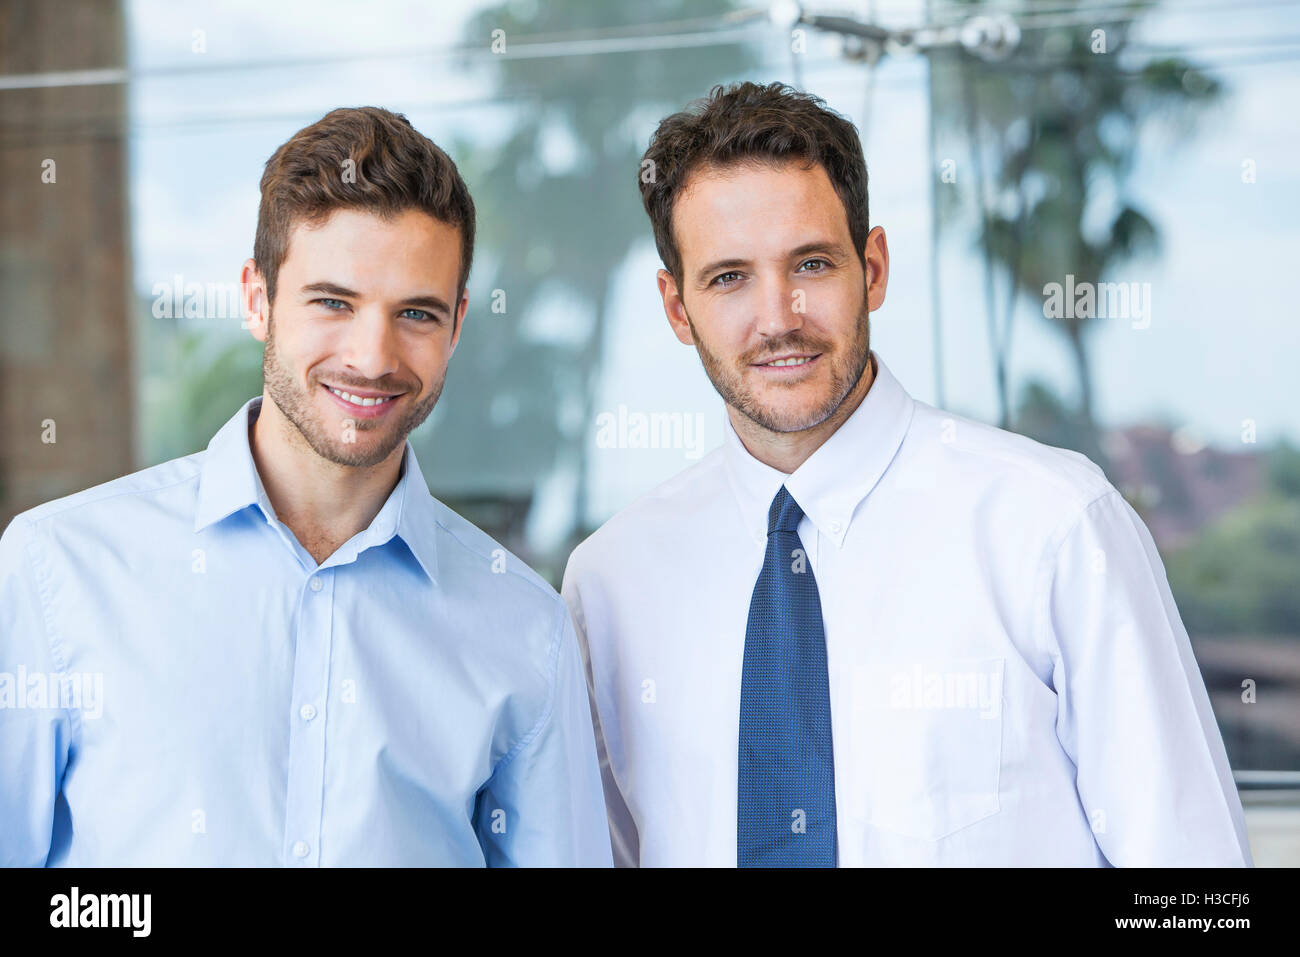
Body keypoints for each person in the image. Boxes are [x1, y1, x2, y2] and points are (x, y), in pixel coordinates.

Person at [561, 81, 1251, 867]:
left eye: (811, 263)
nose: (779, 314)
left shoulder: (1055, 529)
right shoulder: (609, 584)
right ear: (677, 309)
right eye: (728, 278)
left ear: (874, 267)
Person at [0, 106, 611, 867]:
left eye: (415, 312)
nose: (372, 355)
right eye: (333, 301)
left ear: (456, 326)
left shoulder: (526, 629)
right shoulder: (58, 570)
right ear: (257, 298)